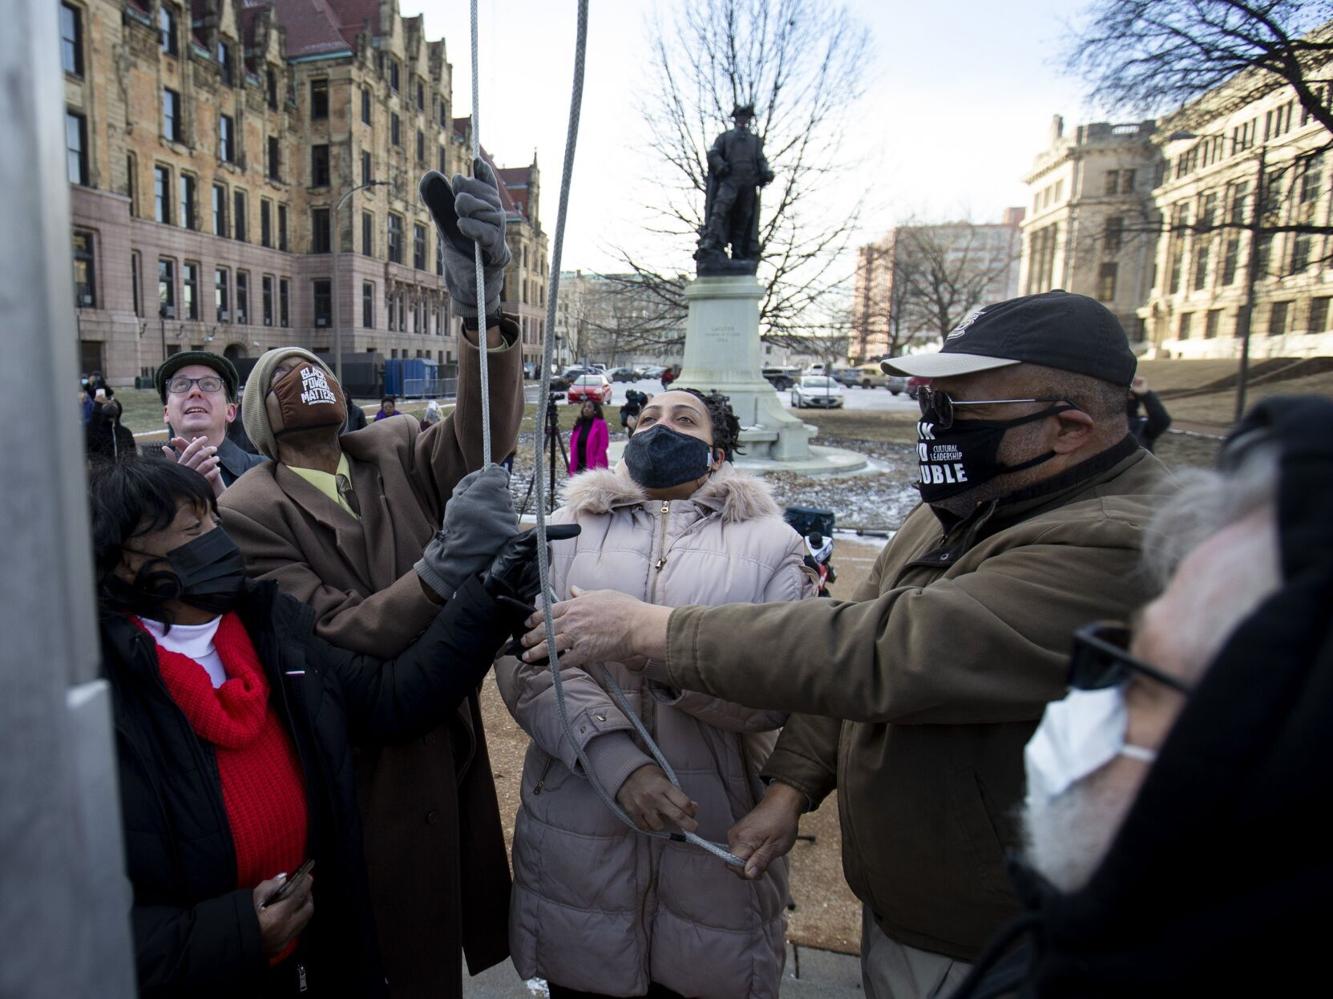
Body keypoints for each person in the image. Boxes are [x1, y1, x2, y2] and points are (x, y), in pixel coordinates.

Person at [521, 290, 1171, 998]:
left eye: (954, 409)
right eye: (928, 399)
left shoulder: (1120, 536)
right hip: (913, 911)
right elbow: (848, 661)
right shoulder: (961, 508)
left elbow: (879, 649)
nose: (931, 422)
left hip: (1010, 933)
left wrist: (650, 633)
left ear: (1067, 427)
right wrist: (794, 786)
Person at [219, 160, 524, 999]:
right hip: (354, 769)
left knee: (433, 952)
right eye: (279, 373)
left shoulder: (390, 446)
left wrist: (481, 316)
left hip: (444, 750)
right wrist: (441, 568)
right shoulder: (249, 509)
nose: (302, 373)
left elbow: (481, 438)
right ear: (260, 418)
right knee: (373, 952)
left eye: (308, 364)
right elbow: (333, 629)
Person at [91, 458, 562, 998]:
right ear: (126, 561)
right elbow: (73, 920)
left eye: (215, 521)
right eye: (193, 530)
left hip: (317, 960)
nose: (218, 540)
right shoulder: (99, 693)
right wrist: (235, 935)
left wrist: (491, 594)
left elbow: (392, 700)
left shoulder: (270, 628)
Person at [954, 395, 1332, 998]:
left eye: (1147, 680)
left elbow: (895, 641)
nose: (1089, 709)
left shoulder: (1101, 532)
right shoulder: (1077, 944)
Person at [497, 389, 813, 999]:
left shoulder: (775, 545)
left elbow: (783, 687)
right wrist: (619, 766)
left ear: (717, 454)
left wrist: (649, 650)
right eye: (648, 418)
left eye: (683, 419)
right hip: (581, 821)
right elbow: (529, 663)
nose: (660, 427)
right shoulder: (565, 533)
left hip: (716, 832)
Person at [154, 352, 266, 495]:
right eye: (181, 385)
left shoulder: (267, 472)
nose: (195, 392)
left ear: (230, 412)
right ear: (167, 413)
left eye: (209, 384)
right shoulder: (142, 484)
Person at [85, 390, 136, 462]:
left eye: (113, 403)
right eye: (106, 403)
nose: (110, 403)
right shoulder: (94, 431)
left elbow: (132, 455)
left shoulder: (126, 432)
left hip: (118, 471)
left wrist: (98, 405)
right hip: (104, 471)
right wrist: (98, 406)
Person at [1126, 374, 1171, 451]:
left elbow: (1162, 421)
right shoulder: (1103, 422)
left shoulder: (1141, 425)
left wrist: (1146, 394)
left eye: (1130, 394)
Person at [567, 399, 609, 474]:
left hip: (594, 463)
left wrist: (597, 461)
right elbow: (572, 442)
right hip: (578, 462)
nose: (586, 409)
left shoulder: (601, 424)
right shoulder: (579, 423)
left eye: (589, 407)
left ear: (595, 410)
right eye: (585, 407)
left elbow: (603, 444)